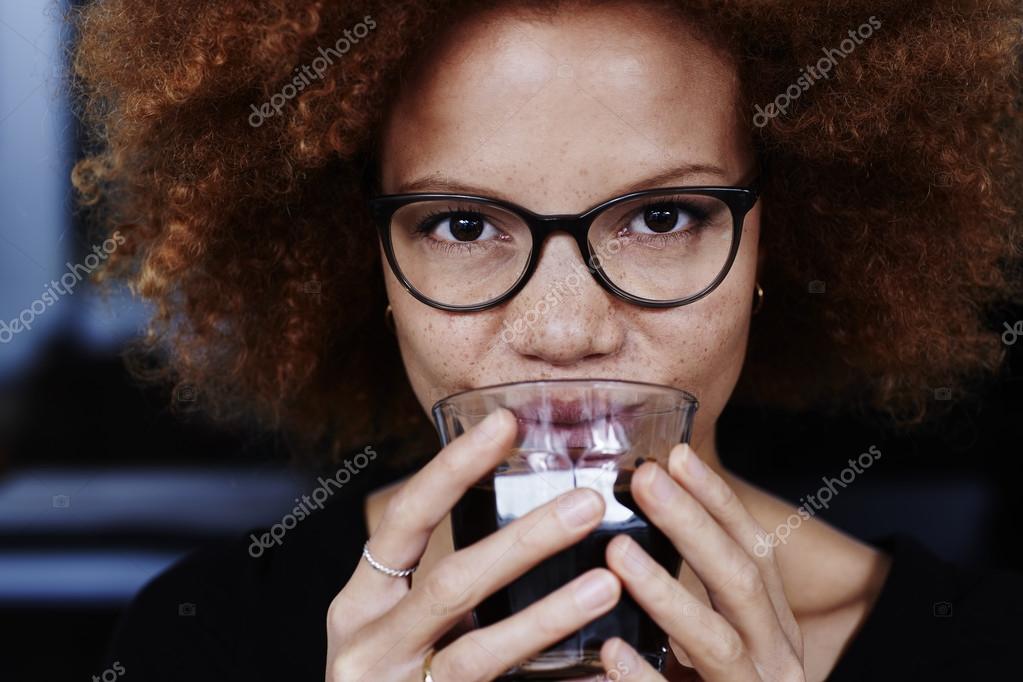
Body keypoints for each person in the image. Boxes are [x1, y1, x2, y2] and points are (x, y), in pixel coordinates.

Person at [70, 0, 1023, 679]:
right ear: (365, 262)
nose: (563, 331)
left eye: (661, 217)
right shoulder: (202, 640)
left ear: (784, 236)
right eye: (461, 225)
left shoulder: (978, 649)